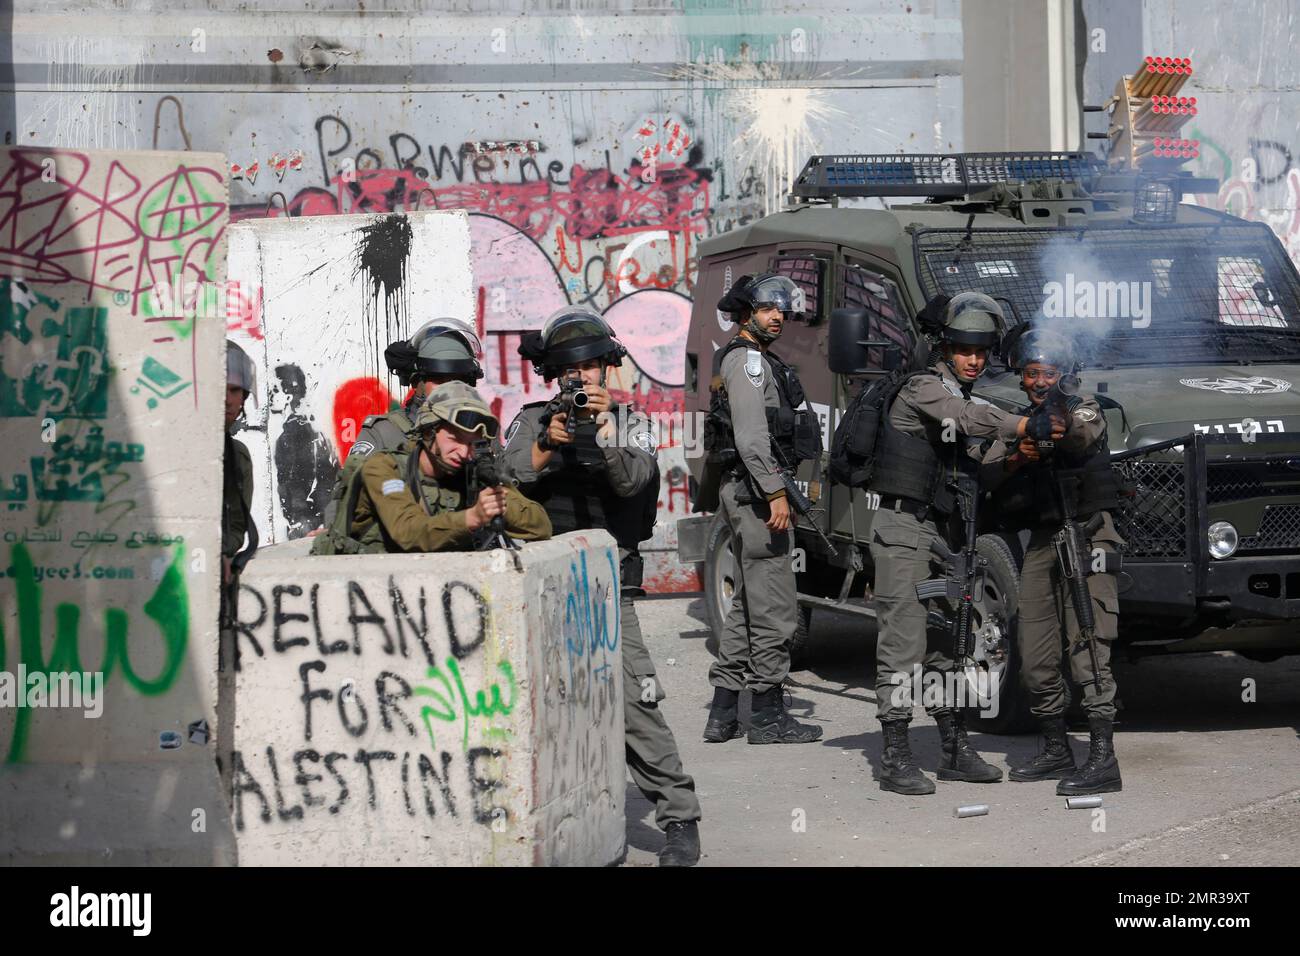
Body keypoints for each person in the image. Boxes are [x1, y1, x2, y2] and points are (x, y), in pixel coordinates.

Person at [503, 305, 703, 868]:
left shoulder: (631, 421)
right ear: (554, 374)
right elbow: (510, 472)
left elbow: (635, 478)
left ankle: (680, 816)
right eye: (572, 368)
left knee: (636, 702)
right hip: (542, 587)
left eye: (593, 366)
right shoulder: (531, 419)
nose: (583, 376)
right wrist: (550, 441)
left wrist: (605, 433)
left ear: (607, 369)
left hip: (607, 593)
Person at [867, 292, 1064, 795]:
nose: (975, 359)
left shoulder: (971, 396)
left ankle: (953, 748)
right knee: (904, 643)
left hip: (947, 536)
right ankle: (895, 755)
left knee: (950, 645)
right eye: (964, 349)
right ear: (943, 348)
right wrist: (1021, 423)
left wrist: (1023, 449)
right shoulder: (923, 389)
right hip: (905, 530)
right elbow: (969, 417)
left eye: (982, 351)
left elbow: (987, 452)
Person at [980, 328, 1124, 795]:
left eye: (1049, 373)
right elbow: (990, 470)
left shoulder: (1085, 407)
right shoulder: (1019, 420)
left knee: (1089, 639)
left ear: (1065, 376)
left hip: (1086, 535)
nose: (1040, 381)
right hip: (1044, 541)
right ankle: (1056, 746)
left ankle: (1103, 758)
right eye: (1032, 373)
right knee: (1035, 650)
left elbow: (1081, 434)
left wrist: (1057, 418)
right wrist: (1020, 455)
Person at [698, 273, 824, 746]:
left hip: (745, 490)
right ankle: (769, 716)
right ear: (748, 311)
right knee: (775, 609)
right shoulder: (749, 362)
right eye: (769, 309)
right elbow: (752, 438)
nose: (778, 318)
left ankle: (723, 712)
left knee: (749, 607)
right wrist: (775, 493)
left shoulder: (744, 357)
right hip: (756, 495)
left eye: (783, 311)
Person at [311, 381, 549, 554]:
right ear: (428, 432)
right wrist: (473, 517)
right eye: (455, 439)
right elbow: (407, 532)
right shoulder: (384, 468)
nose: (464, 453)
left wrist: (499, 502)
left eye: (471, 443)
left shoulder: (469, 471)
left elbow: (540, 525)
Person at [323, 318, 484, 526]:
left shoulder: (478, 431)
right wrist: (335, 529)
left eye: (458, 380)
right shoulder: (385, 432)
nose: (449, 390)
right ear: (417, 382)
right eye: (439, 380)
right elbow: (346, 494)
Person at [222, 340, 259, 627]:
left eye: (235, 390)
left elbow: (237, 526)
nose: (228, 399)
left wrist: (222, 551)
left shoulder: (238, 455)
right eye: (221, 387)